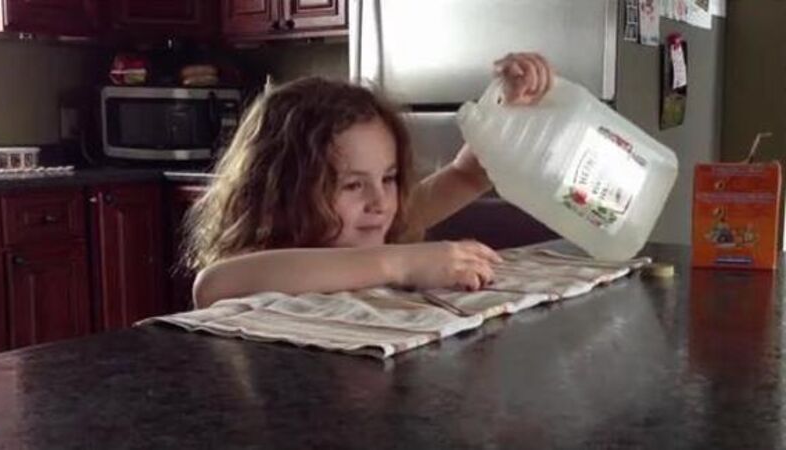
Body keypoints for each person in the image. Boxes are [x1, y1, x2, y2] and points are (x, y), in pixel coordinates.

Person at [185, 52, 554, 309]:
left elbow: (469, 173)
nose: (380, 202)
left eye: (389, 178)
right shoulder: (259, 265)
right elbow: (214, 284)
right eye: (352, 185)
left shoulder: (380, 224)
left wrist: (508, 106)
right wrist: (402, 263)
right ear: (282, 192)